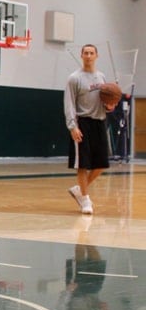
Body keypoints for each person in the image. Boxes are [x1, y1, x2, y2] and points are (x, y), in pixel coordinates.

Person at [64, 43, 113, 215]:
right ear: (81, 55)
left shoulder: (102, 77)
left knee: (101, 164)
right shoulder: (74, 78)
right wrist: (72, 126)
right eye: (86, 53)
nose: (89, 55)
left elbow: (104, 100)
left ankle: (79, 189)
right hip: (82, 122)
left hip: (100, 122)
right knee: (83, 165)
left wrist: (110, 106)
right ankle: (85, 200)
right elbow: (69, 103)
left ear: (97, 56)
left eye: (92, 53)